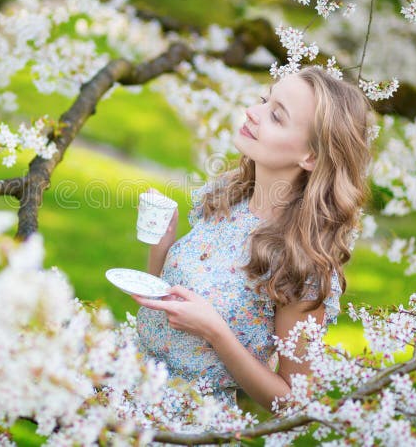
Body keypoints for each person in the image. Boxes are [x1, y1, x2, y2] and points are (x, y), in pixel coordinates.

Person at [133, 66, 372, 413]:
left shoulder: (302, 265)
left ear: (312, 156)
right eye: (264, 100)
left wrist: (217, 333)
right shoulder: (224, 197)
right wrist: (162, 248)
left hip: (184, 420)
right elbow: (165, 307)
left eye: (276, 116)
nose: (252, 112)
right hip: (128, 381)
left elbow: (292, 403)